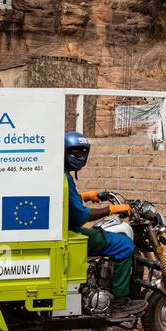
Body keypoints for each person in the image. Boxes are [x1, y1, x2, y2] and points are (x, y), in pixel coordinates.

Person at [65, 131, 147, 318]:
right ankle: (119, 302)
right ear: (63, 152)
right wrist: (111, 210)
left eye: (82, 152)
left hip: (64, 230)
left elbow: (67, 201)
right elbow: (79, 216)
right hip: (70, 232)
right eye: (73, 152)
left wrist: (86, 196)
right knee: (124, 245)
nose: (78, 156)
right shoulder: (65, 178)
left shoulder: (62, 175)